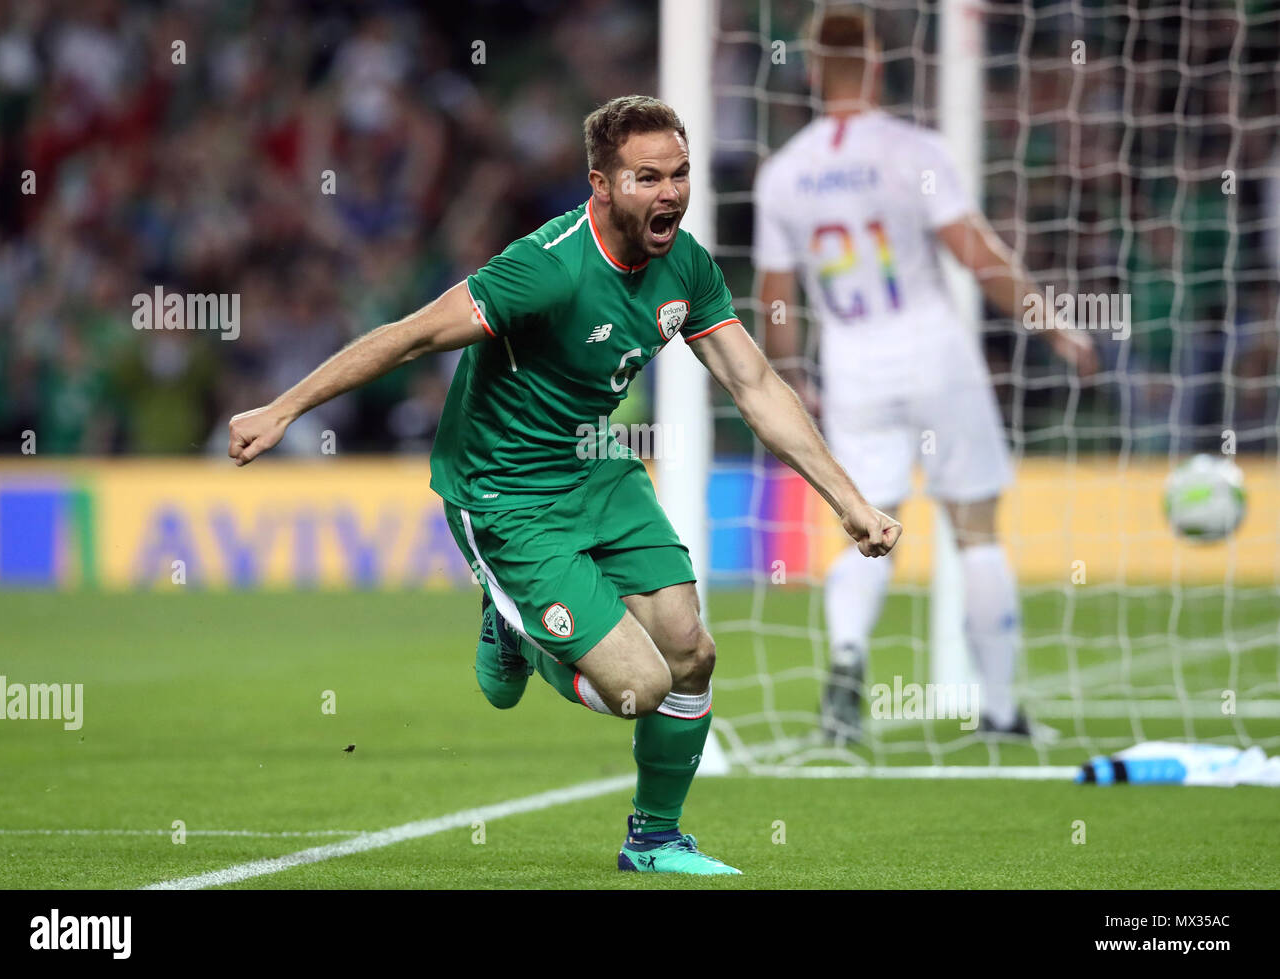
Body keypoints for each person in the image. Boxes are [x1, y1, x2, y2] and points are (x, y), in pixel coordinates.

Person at [229, 95, 900, 875]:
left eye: (680, 174)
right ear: (602, 184)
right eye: (648, 177)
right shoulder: (542, 271)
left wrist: (849, 502)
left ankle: (653, 839)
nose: (672, 193)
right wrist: (282, 409)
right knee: (639, 687)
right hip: (505, 490)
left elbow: (754, 386)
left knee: (692, 650)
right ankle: (511, 625)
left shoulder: (686, 265)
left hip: (595, 465)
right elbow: (407, 337)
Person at [754, 9, 1096, 743]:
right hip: (936, 354)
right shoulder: (914, 150)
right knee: (975, 530)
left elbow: (775, 296)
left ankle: (846, 669)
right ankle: (1000, 709)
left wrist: (788, 374)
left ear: (813, 71)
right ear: (878, 64)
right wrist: (1057, 326)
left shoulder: (783, 173)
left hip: (852, 366)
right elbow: (978, 256)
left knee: (864, 522)